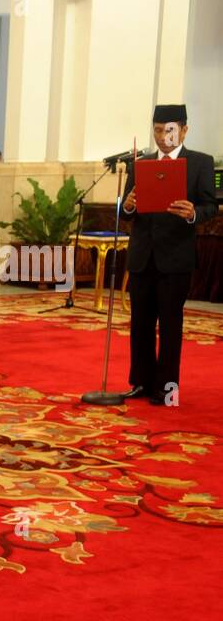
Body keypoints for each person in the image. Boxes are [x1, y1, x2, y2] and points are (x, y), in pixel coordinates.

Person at [120, 103, 218, 404]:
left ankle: (167, 388)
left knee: (171, 325)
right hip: (142, 256)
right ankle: (141, 382)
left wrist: (192, 214)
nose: (164, 136)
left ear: (184, 130)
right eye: (159, 130)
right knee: (140, 323)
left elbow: (210, 206)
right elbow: (126, 208)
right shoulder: (141, 164)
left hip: (175, 258)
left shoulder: (200, 163)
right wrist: (128, 205)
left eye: (170, 130)